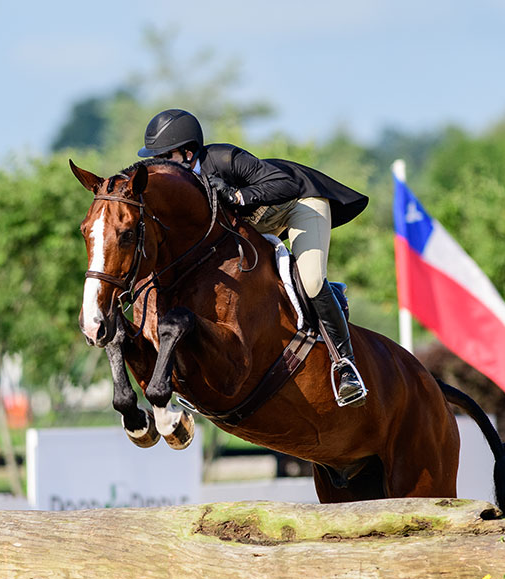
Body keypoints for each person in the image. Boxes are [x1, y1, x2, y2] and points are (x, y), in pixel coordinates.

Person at [138, 108, 370, 407]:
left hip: (299, 205)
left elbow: (286, 184)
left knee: (311, 280)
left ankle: (346, 365)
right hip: (257, 222)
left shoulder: (223, 158)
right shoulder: (184, 187)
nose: (157, 164)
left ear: (187, 151)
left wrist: (235, 196)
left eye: (163, 156)